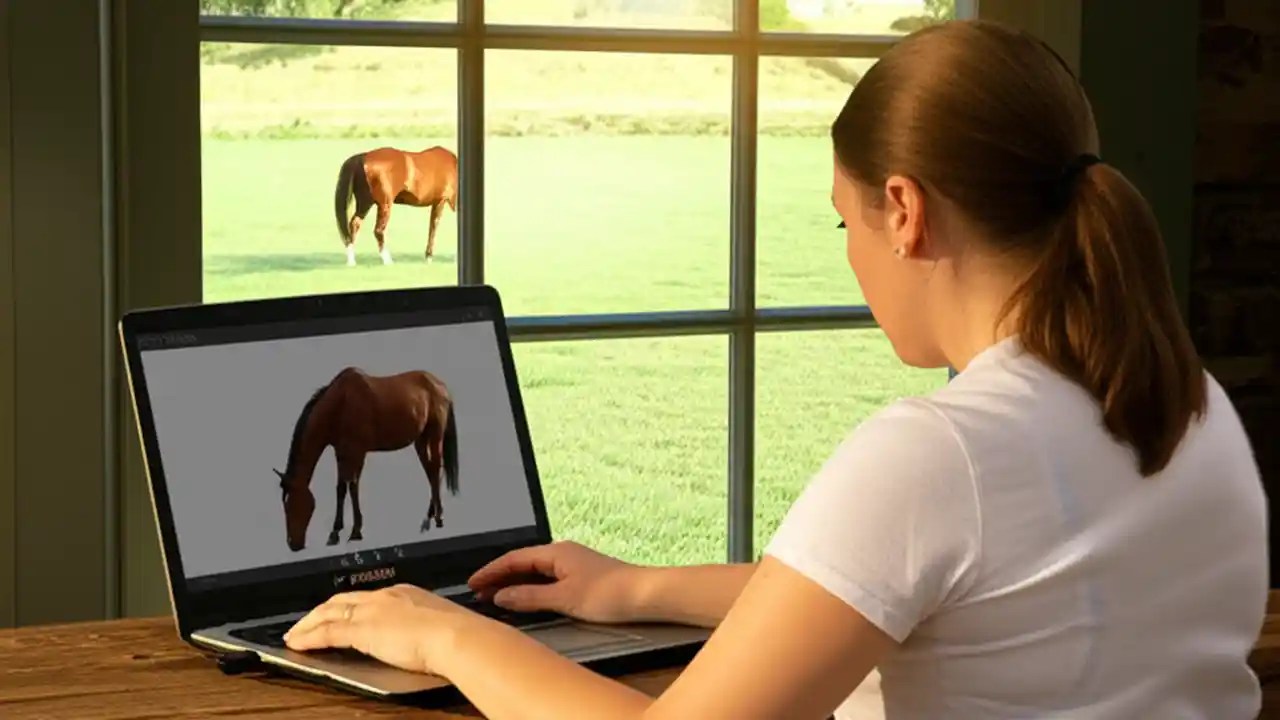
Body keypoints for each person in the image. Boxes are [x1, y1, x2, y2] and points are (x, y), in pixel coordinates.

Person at [282, 18, 1269, 719]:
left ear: (904, 208)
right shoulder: (1183, 403)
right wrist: (631, 589)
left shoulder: (939, 455)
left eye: (844, 223)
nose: (848, 253)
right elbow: (926, 589)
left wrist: (442, 634)